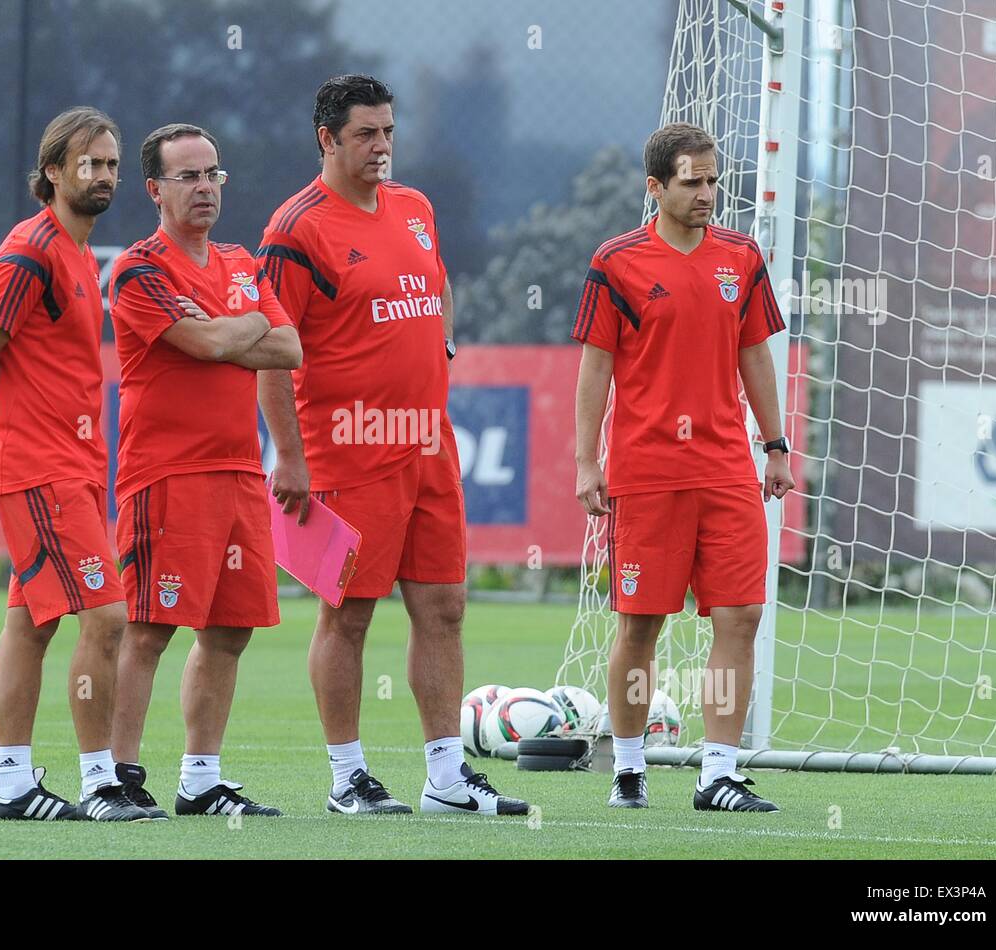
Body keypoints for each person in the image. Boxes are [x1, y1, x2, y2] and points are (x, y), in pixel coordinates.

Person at [256, 74, 527, 816]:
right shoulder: (294, 228)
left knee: (444, 608)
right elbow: (272, 349)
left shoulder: (414, 209)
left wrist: (438, 345)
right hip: (347, 449)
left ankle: (446, 778)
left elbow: (435, 287)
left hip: (428, 446)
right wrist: (291, 455)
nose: (382, 148)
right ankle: (348, 777)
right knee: (348, 616)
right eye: (366, 135)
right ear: (327, 140)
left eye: (389, 132)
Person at [572, 122, 794, 812]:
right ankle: (630, 768)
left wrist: (776, 443)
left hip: (726, 468)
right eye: (691, 181)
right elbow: (596, 368)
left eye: (712, 180)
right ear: (655, 188)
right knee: (641, 624)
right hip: (646, 474)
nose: (706, 194)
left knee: (741, 615)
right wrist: (586, 462)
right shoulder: (617, 262)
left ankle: (718, 772)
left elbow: (755, 352)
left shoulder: (742, 258)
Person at [0, 106, 150, 821]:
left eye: (112, 164)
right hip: (43, 470)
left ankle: (12, 785)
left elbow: (30, 362)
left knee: (30, 626)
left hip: (71, 465)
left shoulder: (75, 250)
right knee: (107, 619)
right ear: (53, 171)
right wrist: (1, 433)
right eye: (88, 162)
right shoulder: (31, 248)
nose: (103, 175)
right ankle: (100, 783)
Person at [108, 124, 301, 818]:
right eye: (188, 176)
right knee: (150, 626)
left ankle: (200, 778)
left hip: (240, 474)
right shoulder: (139, 269)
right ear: (155, 190)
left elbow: (289, 347)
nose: (204, 188)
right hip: (168, 473)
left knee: (228, 630)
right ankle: (118, 775)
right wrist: (236, 327)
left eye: (213, 174)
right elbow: (208, 341)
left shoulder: (242, 261)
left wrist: (231, 328)